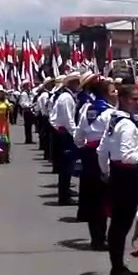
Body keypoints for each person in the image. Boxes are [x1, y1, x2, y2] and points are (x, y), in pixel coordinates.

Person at [97, 83, 138, 275]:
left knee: (119, 224)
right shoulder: (125, 124)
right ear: (124, 99)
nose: (137, 102)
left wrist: (106, 172)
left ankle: (117, 266)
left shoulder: (114, 120)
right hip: (126, 174)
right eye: (133, 99)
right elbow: (127, 156)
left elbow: (102, 150)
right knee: (121, 224)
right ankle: (117, 269)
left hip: (118, 174)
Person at [75, 78, 113, 235]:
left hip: (89, 154)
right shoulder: (110, 113)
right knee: (103, 196)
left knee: (93, 194)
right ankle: (100, 235)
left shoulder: (87, 109)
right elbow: (110, 138)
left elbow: (78, 135)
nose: (116, 93)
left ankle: (95, 235)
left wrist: (83, 146)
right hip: (104, 155)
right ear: (105, 94)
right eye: (113, 91)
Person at [51, 74, 80, 205]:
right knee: (66, 166)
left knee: (67, 165)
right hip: (65, 134)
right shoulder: (66, 98)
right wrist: (75, 135)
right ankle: (64, 196)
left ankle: (66, 190)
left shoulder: (66, 96)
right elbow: (69, 120)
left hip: (63, 133)